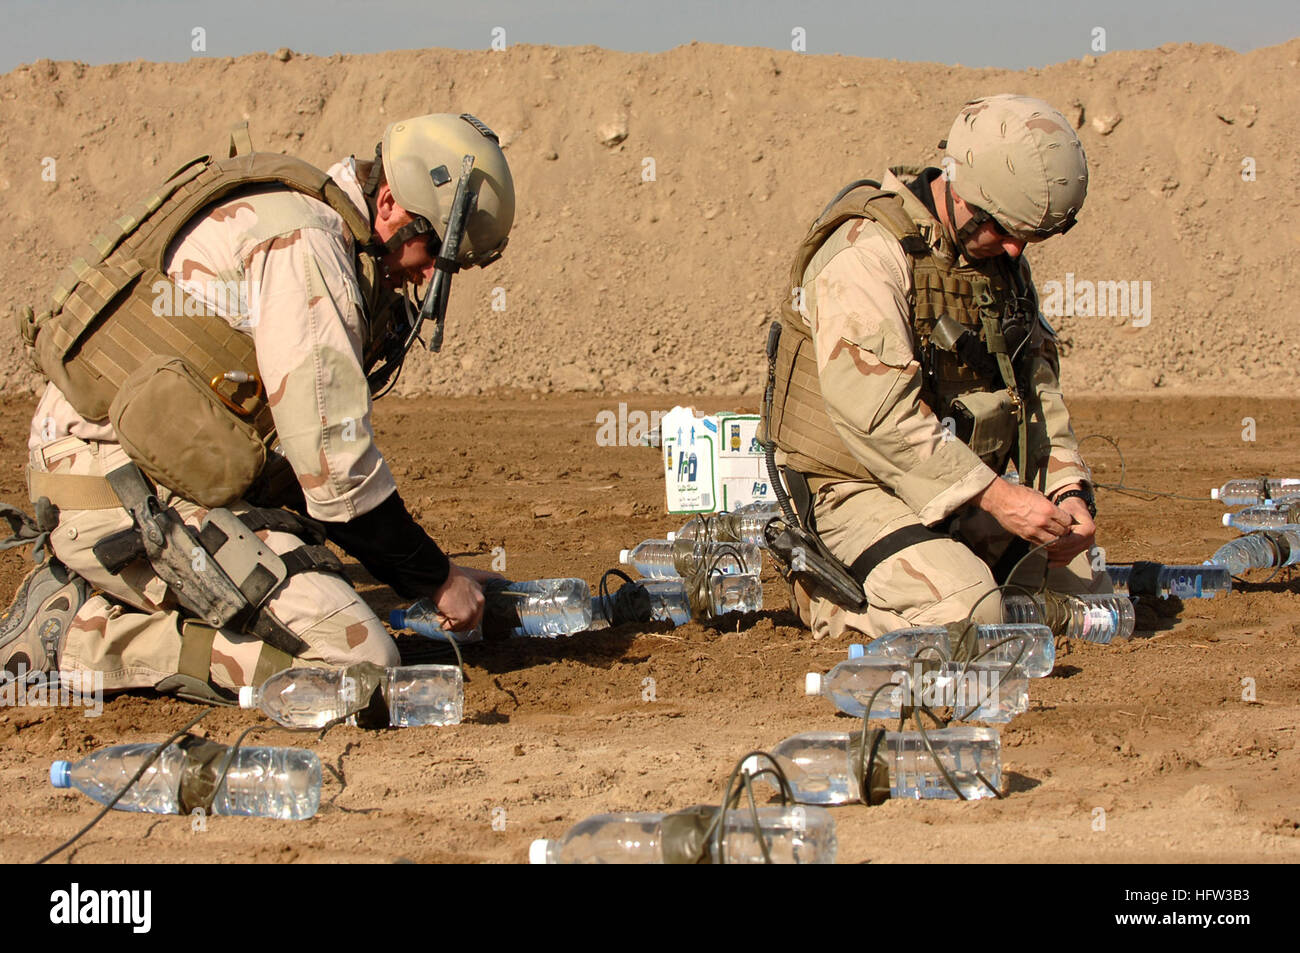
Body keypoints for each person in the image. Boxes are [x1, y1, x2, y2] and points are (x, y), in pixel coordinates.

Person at [0, 113, 514, 700]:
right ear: (390, 202)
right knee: (358, 664)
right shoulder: (306, 242)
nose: (425, 274)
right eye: (430, 251)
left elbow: (302, 471)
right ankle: (77, 644)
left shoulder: (318, 228)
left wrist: (423, 574)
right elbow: (333, 469)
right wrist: (437, 579)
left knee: (309, 580)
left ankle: (110, 592)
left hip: (150, 474)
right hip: (112, 490)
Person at [765, 94, 1110, 641]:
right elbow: (880, 420)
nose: (1017, 251)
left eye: (1032, 238)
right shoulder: (867, 253)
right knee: (968, 613)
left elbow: (1037, 390)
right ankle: (828, 592)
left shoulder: (997, 261)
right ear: (966, 190)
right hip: (853, 488)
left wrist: (1068, 491)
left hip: (953, 486)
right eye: (1005, 229)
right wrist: (999, 498)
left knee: (1083, 587)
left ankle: (951, 567)